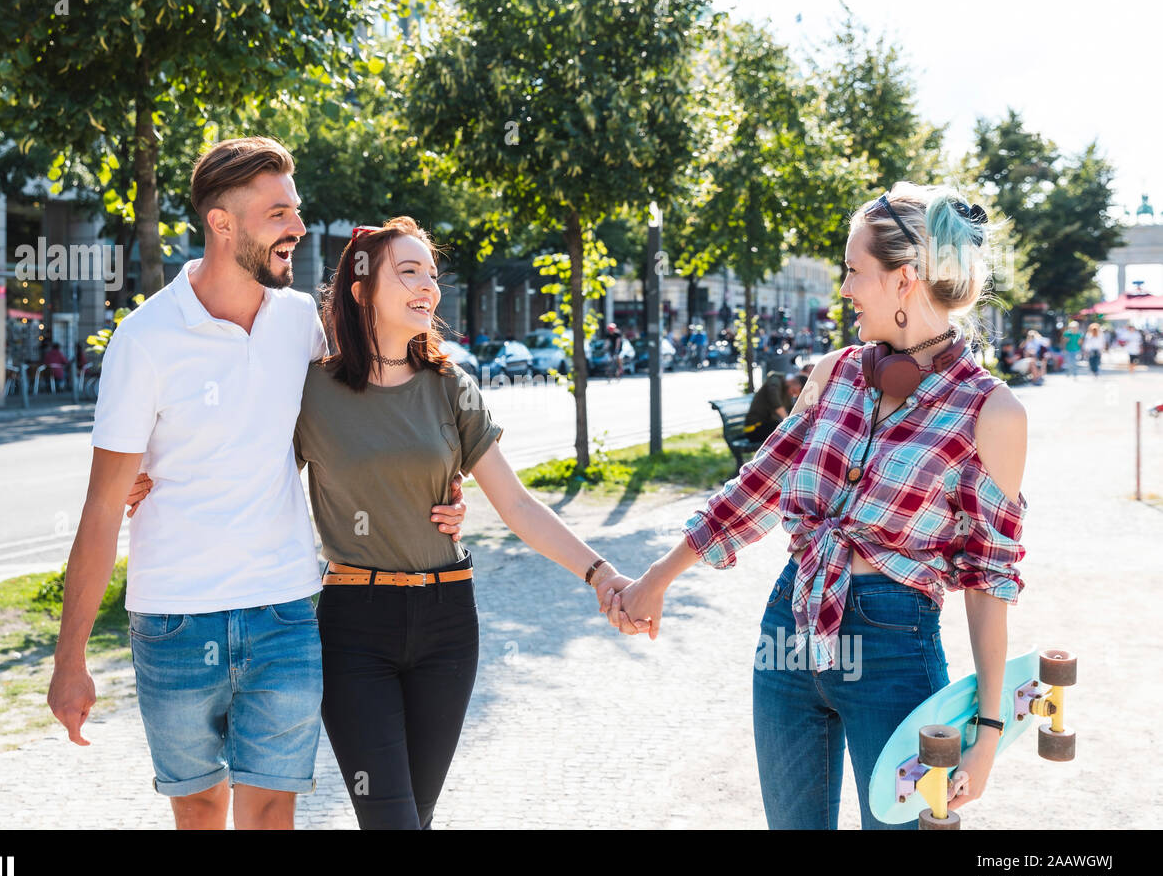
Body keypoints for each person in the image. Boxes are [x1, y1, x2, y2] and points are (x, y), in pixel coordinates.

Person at [127, 216, 632, 829]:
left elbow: (518, 504)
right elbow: (233, 454)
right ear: (361, 289)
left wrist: (600, 574)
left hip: (449, 624)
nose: (430, 287)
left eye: (433, 275)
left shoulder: (451, 388)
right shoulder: (311, 390)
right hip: (354, 627)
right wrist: (146, 471)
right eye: (410, 272)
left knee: (410, 819)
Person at [47, 138, 467, 830]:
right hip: (175, 615)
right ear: (223, 224)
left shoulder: (301, 320)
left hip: (285, 610)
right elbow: (99, 512)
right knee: (201, 809)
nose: (297, 227)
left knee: (272, 809)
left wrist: (445, 482)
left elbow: (370, 411)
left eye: (295, 211)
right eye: (278, 214)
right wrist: (71, 661)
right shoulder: (144, 339)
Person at [608, 183, 1029, 830]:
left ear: (904, 281)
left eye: (854, 271)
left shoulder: (990, 411)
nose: (844, 290)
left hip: (894, 651)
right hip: (789, 630)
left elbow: (987, 579)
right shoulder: (834, 374)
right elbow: (757, 486)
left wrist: (990, 730)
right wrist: (654, 580)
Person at [744, 371, 802, 443]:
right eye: (793, 391)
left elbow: (792, 411)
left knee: (794, 431)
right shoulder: (775, 380)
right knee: (786, 430)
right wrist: (788, 422)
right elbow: (774, 400)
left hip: (766, 426)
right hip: (753, 429)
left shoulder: (786, 391)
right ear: (791, 382)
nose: (792, 395)